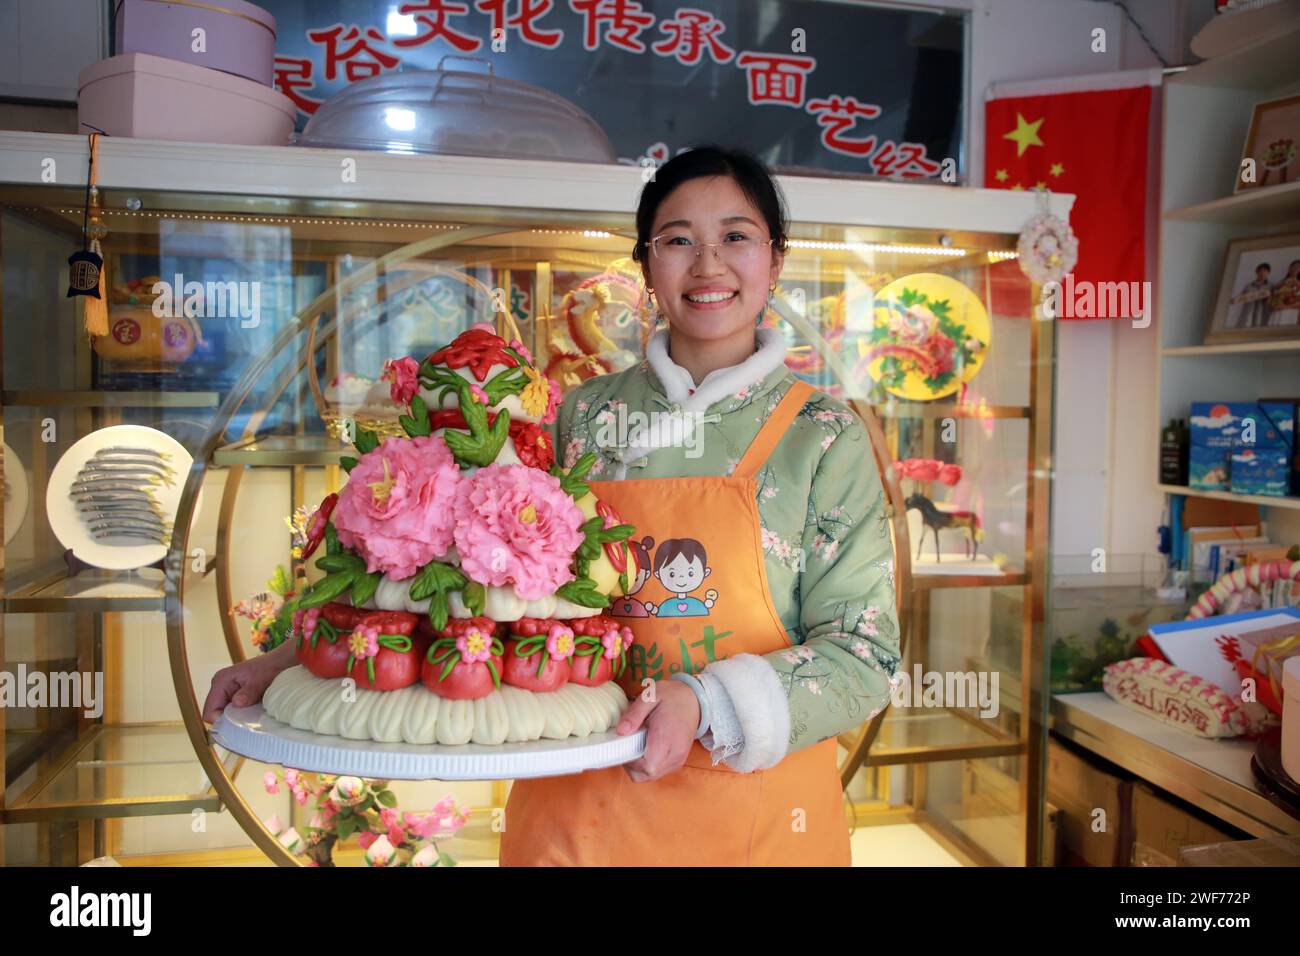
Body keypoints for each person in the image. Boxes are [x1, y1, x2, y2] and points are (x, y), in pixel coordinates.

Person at [203, 144, 900, 867]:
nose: (708, 264)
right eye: (677, 240)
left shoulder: (823, 436)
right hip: (578, 816)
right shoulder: (579, 418)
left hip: (760, 824)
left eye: (736, 236)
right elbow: (451, 580)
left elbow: (865, 657)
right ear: (645, 267)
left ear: (776, 260)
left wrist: (705, 704)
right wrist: (290, 664)